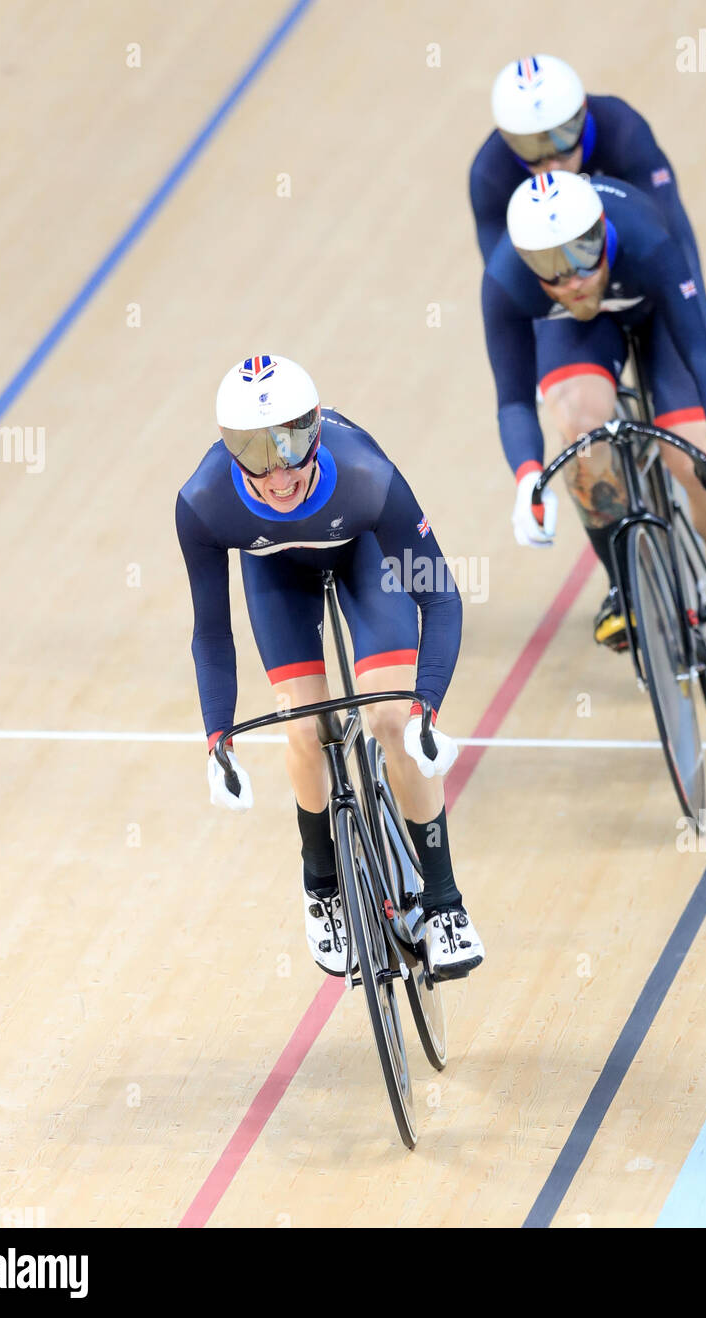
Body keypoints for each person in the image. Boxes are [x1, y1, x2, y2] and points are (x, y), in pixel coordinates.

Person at [176, 354, 484, 980]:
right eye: (254, 451)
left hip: (362, 556)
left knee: (392, 722)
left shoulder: (368, 475)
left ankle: (445, 901)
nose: (277, 469)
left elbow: (440, 595)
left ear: (315, 429)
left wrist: (427, 706)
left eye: (289, 442)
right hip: (275, 574)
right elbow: (211, 632)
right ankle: (323, 888)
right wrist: (217, 739)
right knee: (302, 729)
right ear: (228, 449)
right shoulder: (203, 503)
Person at [481, 170, 706, 684]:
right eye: (551, 269)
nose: (573, 279)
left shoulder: (647, 240)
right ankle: (625, 584)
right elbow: (513, 399)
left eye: (582, 254)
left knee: (692, 459)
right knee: (581, 434)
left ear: (603, 230)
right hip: (576, 331)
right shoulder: (504, 280)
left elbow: (697, 349)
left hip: (659, 316)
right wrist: (527, 479)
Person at [470, 54, 706, 346]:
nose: (551, 163)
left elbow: (666, 231)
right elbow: (509, 279)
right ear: (507, 139)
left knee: (682, 349)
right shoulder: (489, 175)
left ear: (583, 113)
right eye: (530, 147)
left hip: (631, 254)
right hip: (565, 283)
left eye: (562, 138)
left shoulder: (623, 129)